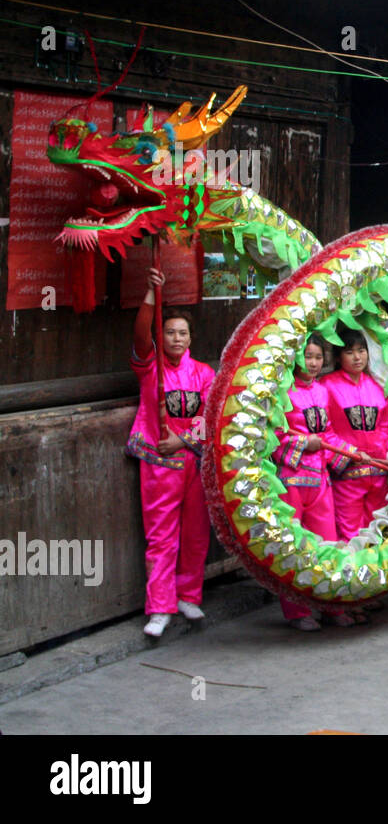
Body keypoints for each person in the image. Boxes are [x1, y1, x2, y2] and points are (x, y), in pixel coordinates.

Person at [127, 267, 215, 638]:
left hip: (193, 461)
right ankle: (159, 606)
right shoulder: (150, 367)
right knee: (162, 536)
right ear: (161, 336)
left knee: (196, 533)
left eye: (183, 333)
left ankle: (188, 595)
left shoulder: (203, 373)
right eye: (171, 332)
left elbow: (211, 417)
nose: (177, 338)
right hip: (160, 466)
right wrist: (151, 292)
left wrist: (183, 440)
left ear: (190, 337)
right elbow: (139, 334)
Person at [273, 333, 356, 629]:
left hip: (321, 479)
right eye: (308, 356)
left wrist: (350, 453)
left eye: (318, 357)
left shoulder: (322, 392)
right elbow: (274, 436)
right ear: (295, 357)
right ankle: (298, 612)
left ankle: (331, 607)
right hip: (291, 481)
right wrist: (301, 445)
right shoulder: (282, 393)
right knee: (295, 546)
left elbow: (329, 433)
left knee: (328, 544)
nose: (313, 363)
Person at [321, 329, 388, 620]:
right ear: (339, 356)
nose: (357, 357)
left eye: (361, 351)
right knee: (348, 536)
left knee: (373, 534)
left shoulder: (377, 386)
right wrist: (348, 452)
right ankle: (348, 597)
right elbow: (324, 429)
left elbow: (386, 425)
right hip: (347, 473)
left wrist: (382, 453)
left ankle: (368, 589)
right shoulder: (327, 386)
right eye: (350, 351)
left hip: (375, 472)